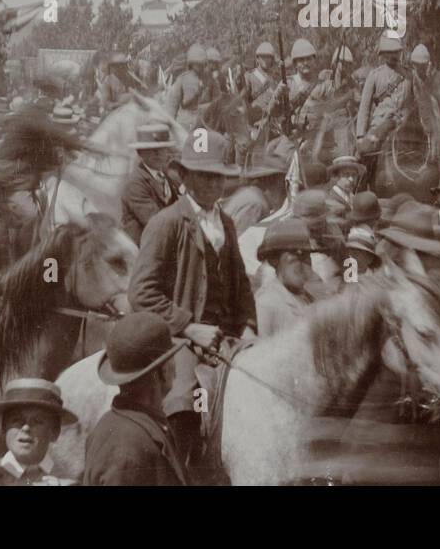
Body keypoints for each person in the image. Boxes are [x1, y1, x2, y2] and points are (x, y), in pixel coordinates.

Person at [127, 130, 256, 467]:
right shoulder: (166, 223)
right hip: (180, 339)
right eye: (205, 176)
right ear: (184, 177)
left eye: (219, 177)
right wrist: (189, 327)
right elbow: (141, 292)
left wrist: (250, 326)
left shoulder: (225, 223)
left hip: (227, 335)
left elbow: (241, 284)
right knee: (185, 399)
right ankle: (183, 469)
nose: (214, 184)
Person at [84, 312, 191, 486]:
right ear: (163, 371)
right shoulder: (126, 446)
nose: (176, 366)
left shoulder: (136, 424)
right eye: (171, 358)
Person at [0, 378, 78, 486]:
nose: (25, 428)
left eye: (37, 421)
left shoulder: (66, 480)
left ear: (54, 432)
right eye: (16, 420)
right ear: (4, 428)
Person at [253, 218, 317, 337]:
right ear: (274, 260)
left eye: (306, 255)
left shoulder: (309, 299)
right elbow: (261, 349)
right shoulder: (267, 303)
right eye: (293, 256)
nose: (301, 263)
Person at [119, 123, 178, 246]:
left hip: (164, 243)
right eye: (151, 150)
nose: (157, 153)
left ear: (167, 151)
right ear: (140, 152)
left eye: (162, 149)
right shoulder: (135, 183)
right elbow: (155, 221)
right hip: (141, 248)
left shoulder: (167, 176)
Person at [356, 34, 407, 156]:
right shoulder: (374, 75)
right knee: (364, 152)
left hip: (404, 124)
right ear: (383, 54)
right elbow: (364, 108)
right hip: (380, 124)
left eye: (396, 52)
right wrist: (360, 135)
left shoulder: (409, 75)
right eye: (389, 52)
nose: (393, 55)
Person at [165, 44, 217, 132]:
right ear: (191, 64)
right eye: (198, 64)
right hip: (186, 119)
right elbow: (179, 103)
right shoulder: (185, 78)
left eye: (202, 64)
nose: (201, 67)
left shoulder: (206, 78)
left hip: (200, 118)